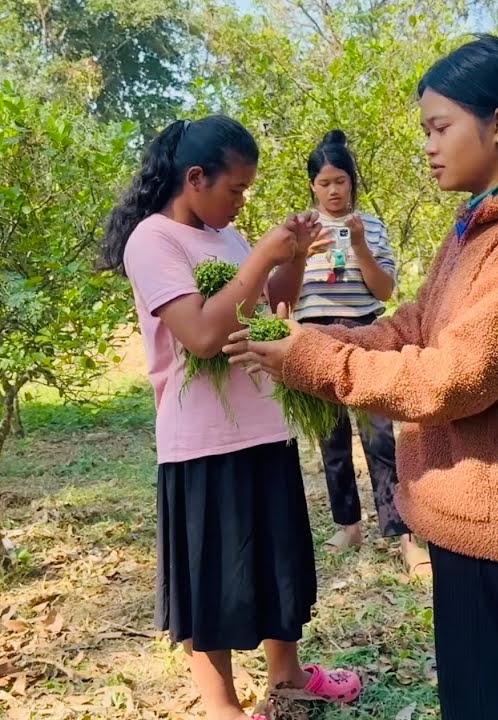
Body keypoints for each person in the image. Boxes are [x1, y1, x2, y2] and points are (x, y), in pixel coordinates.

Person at [224, 35, 498, 719]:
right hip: (465, 504)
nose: (428, 145)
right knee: (475, 691)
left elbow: (456, 376)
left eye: (439, 127)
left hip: (497, 506)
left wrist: (314, 361)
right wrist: (311, 339)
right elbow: (410, 327)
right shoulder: (476, 228)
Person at [97, 115, 361, 720]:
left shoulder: (229, 239)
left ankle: (288, 677)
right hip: (201, 439)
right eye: (234, 189)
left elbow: (271, 307)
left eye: (246, 191)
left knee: (276, 561)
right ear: (194, 178)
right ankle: (222, 708)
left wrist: (290, 256)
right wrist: (262, 255)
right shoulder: (154, 240)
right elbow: (201, 334)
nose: (241, 203)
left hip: (263, 424)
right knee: (211, 578)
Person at [269, 129, 429, 573]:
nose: (333, 190)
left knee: (379, 436)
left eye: (340, 181)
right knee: (331, 438)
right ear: (312, 187)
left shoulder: (371, 227)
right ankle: (348, 524)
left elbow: (384, 288)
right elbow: (284, 295)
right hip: (314, 338)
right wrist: (300, 254)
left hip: (367, 336)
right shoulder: (299, 229)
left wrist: (359, 246)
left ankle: (402, 534)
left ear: (352, 182)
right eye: (324, 183)